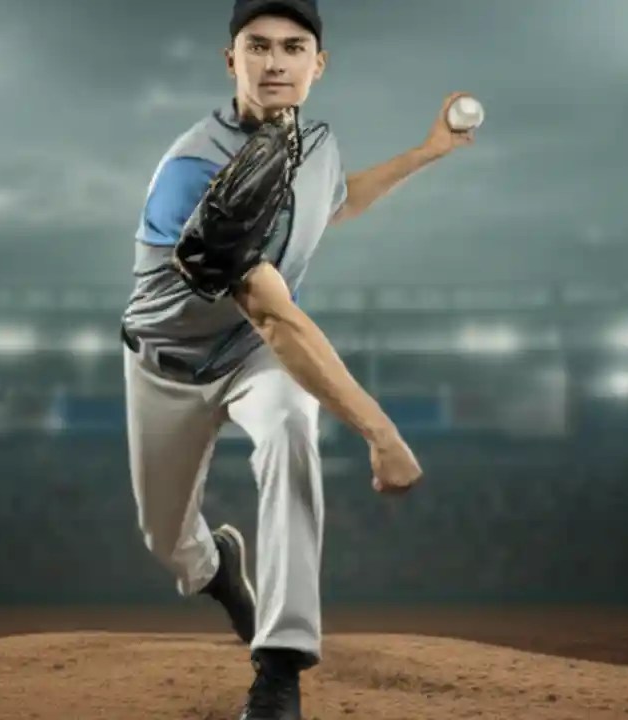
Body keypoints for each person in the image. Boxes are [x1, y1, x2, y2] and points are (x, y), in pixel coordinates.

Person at [120, 1, 475, 717]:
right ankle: (219, 569)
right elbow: (274, 314)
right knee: (167, 542)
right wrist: (381, 433)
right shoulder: (191, 169)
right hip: (168, 364)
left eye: (293, 46)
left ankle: (280, 663)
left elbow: (337, 201)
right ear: (232, 60)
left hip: (253, 357)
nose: (275, 62)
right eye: (258, 46)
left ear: (319, 64)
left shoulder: (317, 144)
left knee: (290, 428)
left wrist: (427, 152)